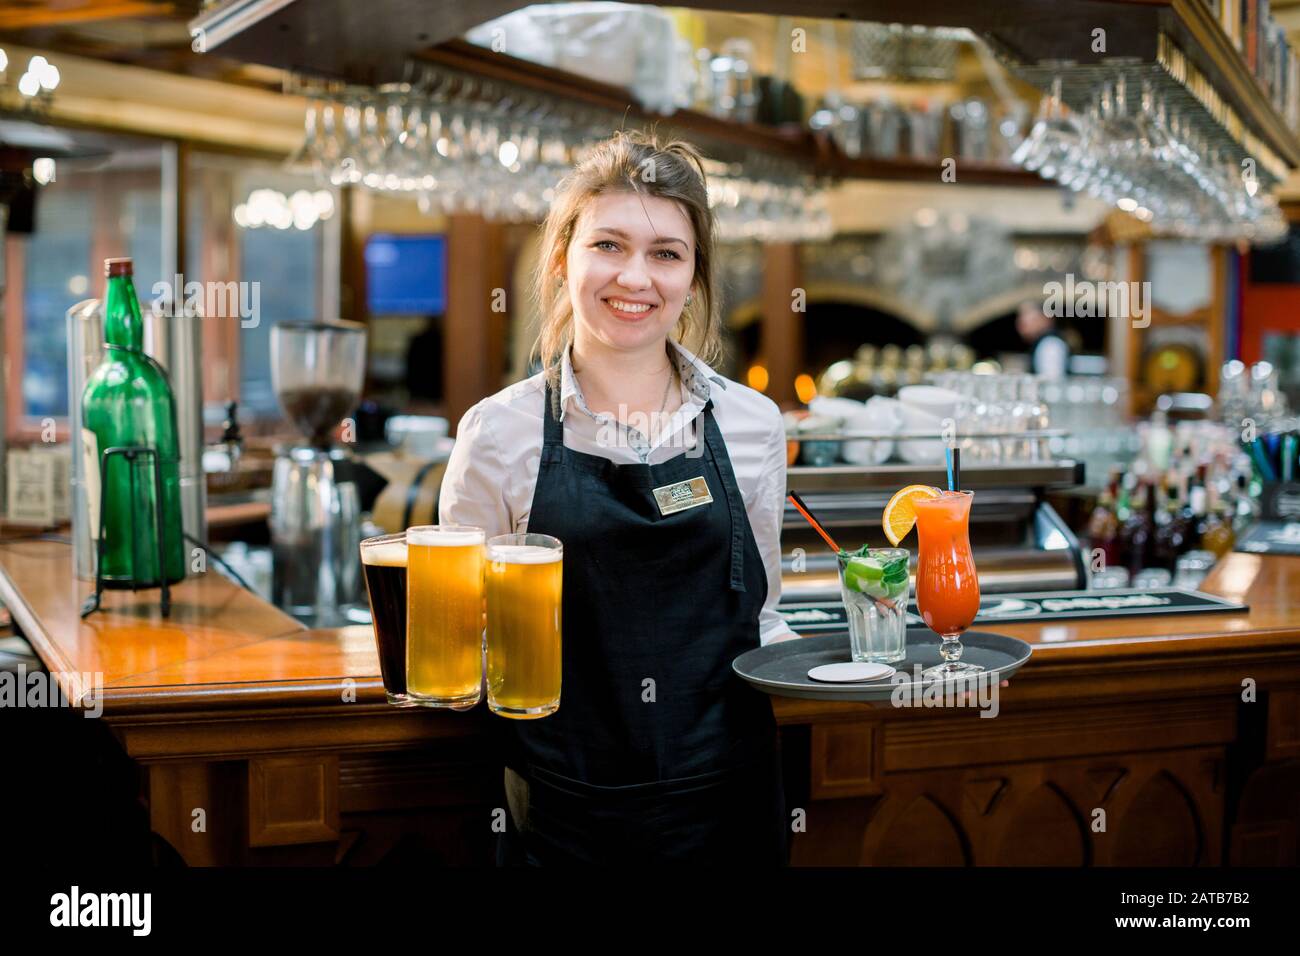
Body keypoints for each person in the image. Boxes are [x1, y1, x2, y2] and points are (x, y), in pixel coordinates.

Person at [438, 130, 799, 866]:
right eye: (609, 245)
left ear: (694, 279)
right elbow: (463, 638)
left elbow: (758, 612)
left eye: (667, 253)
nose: (637, 277)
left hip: (728, 807)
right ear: (563, 256)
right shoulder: (497, 432)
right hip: (560, 817)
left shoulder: (753, 424)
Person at [1016, 299, 1071, 379]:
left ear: (1045, 319)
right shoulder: (1045, 343)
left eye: (1026, 321)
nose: (1020, 326)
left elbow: (1051, 383)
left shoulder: (1050, 344)